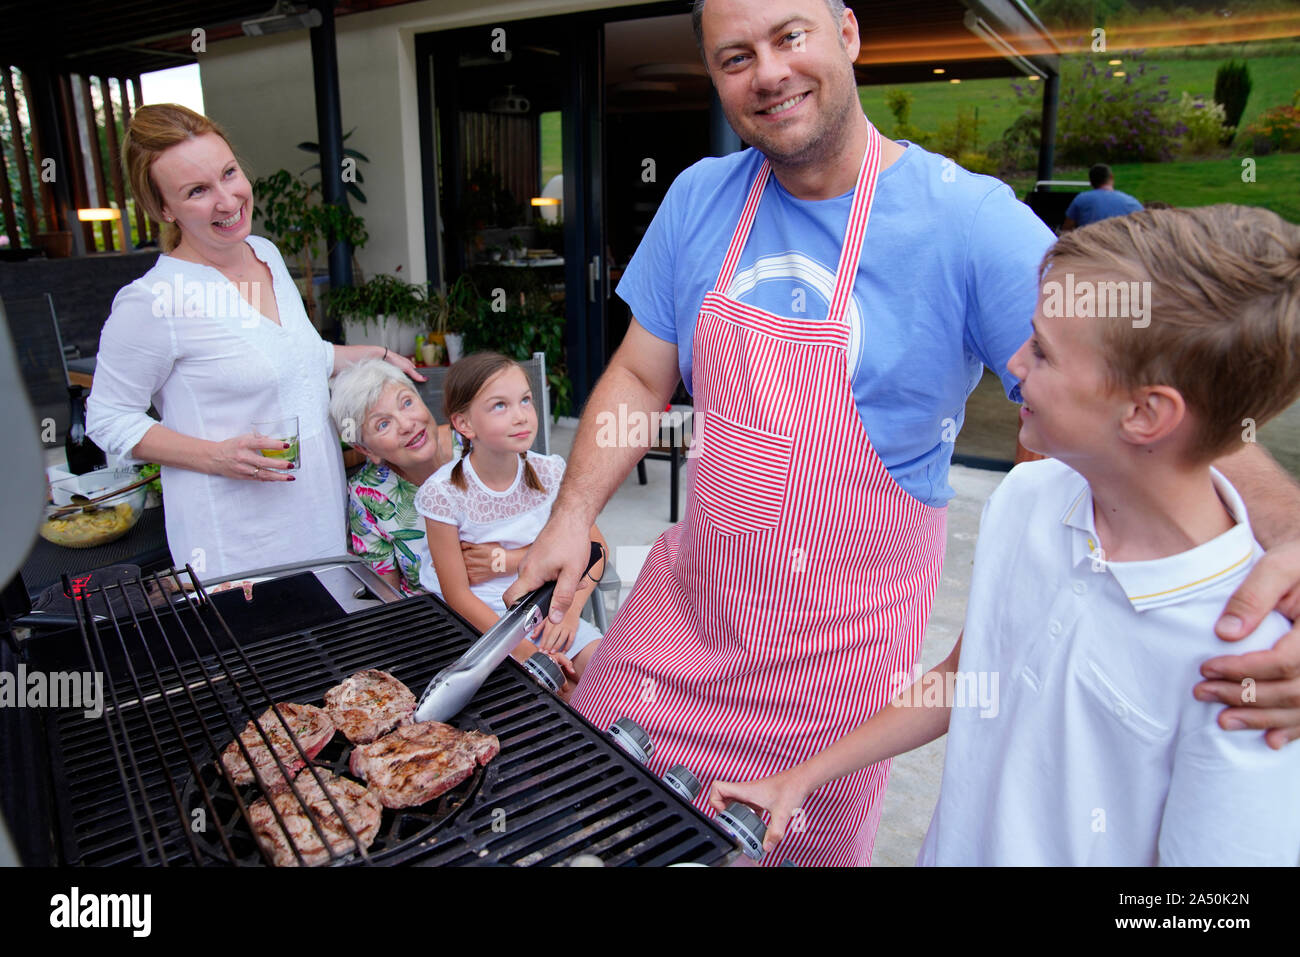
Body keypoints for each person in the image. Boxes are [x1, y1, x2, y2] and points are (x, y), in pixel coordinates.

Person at [505, 0, 1300, 867]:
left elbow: (1168, 383)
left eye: (790, 36)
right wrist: (571, 513)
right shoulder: (699, 196)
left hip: (835, 667)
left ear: (847, 33)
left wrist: (1290, 532)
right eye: (735, 56)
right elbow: (636, 376)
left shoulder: (970, 219)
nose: (767, 71)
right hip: (683, 617)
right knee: (591, 803)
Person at [710, 206, 1300, 865]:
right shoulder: (1027, 498)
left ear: (1146, 412)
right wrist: (805, 774)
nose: (1013, 363)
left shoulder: (1252, 664)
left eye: (1043, 351)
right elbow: (967, 677)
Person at [86, 104, 422, 580]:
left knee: (330, 647)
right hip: (237, 540)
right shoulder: (154, 302)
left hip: (317, 514)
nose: (227, 200)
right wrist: (214, 456)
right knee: (269, 654)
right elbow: (107, 418)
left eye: (229, 174)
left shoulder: (264, 253)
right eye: (198, 191)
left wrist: (367, 355)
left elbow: (290, 358)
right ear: (163, 209)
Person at [415, 352, 607, 682]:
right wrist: (530, 655)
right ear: (464, 424)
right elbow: (457, 596)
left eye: (525, 400)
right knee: (557, 692)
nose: (521, 416)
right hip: (483, 625)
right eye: (500, 405)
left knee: (607, 676)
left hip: (548, 609)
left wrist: (570, 611)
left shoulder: (551, 472)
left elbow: (595, 548)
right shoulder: (443, 493)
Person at [330, 358, 514, 597]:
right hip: (437, 620)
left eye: (407, 403)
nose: (406, 424)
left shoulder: (481, 439)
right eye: (383, 424)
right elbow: (387, 597)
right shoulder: (368, 494)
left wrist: (509, 560)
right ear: (367, 450)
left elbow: (555, 538)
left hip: (518, 603)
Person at [1060, 163, 1143, 231]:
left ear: (1091, 181)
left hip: (1089, 248)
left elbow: (1066, 230)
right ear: (1111, 177)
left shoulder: (1081, 200)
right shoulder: (1131, 202)